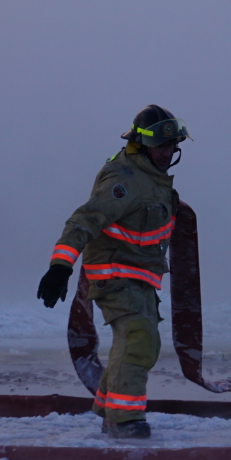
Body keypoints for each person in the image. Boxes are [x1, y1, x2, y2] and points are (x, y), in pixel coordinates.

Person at [36, 105, 189, 439]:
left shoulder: (153, 178)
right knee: (137, 337)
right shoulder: (124, 180)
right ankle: (123, 420)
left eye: (172, 146)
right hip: (115, 274)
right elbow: (84, 221)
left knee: (146, 344)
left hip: (140, 277)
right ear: (142, 144)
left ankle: (109, 409)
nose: (168, 153)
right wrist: (60, 267)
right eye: (161, 146)